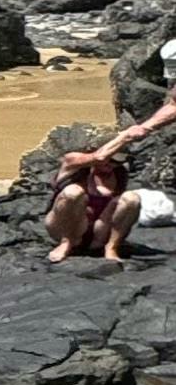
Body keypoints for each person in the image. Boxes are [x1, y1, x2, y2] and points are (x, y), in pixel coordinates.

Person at [47, 51, 176, 263]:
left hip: (99, 230)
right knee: (72, 193)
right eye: (111, 160)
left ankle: (111, 247)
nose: (111, 165)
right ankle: (66, 243)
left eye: (117, 162)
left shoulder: (118, 172)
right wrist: (126, 136)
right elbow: (98, 158)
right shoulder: (74, 161)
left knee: (132, 199)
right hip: (67, 226)